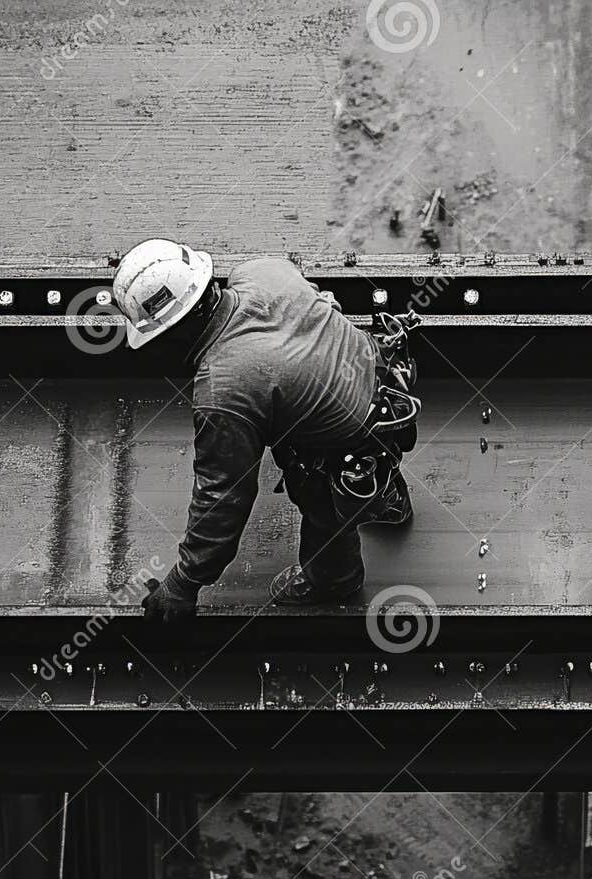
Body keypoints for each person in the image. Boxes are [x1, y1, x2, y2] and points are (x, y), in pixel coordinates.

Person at [113, 239, 419, 622]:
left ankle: (332, 580)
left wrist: (184, 582)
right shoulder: (260, 269)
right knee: (348, 436)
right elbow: (328, 305)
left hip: (347, 441)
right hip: (385, 386)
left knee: (321, 499)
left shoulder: (224, 388)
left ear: (177, 329)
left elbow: (223, 498)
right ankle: (387, 498)